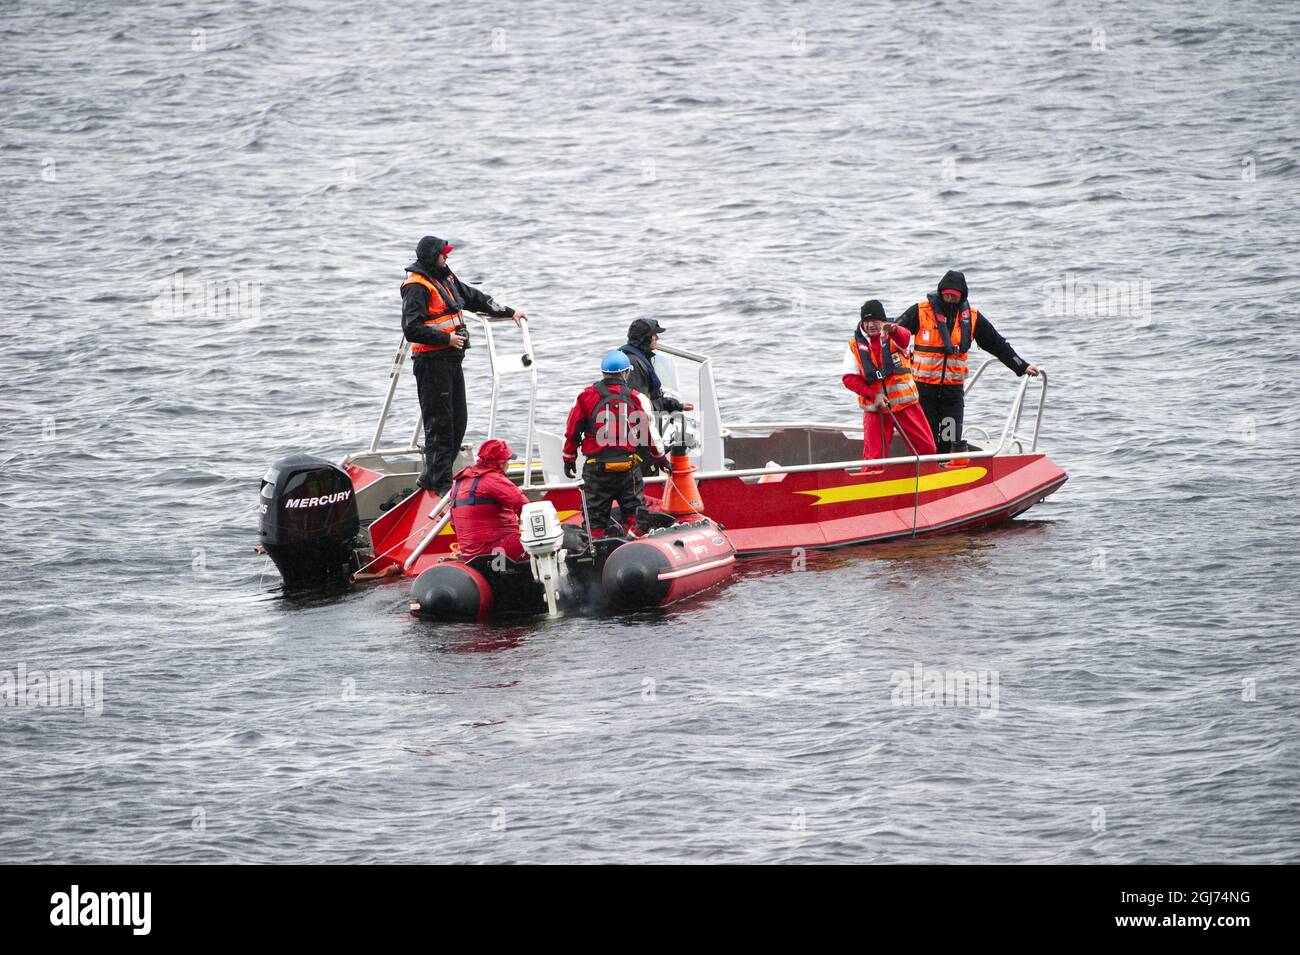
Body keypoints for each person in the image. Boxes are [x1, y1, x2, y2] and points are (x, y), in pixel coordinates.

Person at [401, 235, 527, 494]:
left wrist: (509, 311)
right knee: (440, 426)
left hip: (450, 360)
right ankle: (442, 485)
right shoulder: (417, 286)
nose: (447, 257)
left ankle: (432, 475)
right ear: (431, 256)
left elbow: (473, 297)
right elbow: (411, 328)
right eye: (442, 254)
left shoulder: (445, 276)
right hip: (431, 363)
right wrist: (446, 338)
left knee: (459, 422)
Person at [894, 270, 1040, 456]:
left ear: (962, 297)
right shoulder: (921, 311)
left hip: (952, 394)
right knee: (926, 440)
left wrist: (1022, 366)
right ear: (940, 292)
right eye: (946, 294)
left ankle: (947, 472)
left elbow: (997, 343)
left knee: (950, 440)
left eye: (954, 296)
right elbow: (894, 337)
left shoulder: (972, 317)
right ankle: (924, 475)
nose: (949, 299)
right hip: (924, 391)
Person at [562, 351, 667, 538]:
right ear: (626, 373)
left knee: (594, 520)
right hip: (628, 469)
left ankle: (596, 555)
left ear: (603, 373)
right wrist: (661, 459)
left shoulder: (585, 396)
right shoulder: (638, 398)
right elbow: (651, 433)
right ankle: (631, 546)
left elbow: (571, 431)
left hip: (596, 470)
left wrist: (569, 458)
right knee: (635, 516)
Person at [842, 300, 936, 469]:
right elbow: (849, 378)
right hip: (876, 410)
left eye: (875, 321)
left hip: (906, 405)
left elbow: (905, 338)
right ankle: (872, 490)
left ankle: (927, 485)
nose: (871, 325)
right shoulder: (854, 346)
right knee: (874, 461)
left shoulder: (895, 336)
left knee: (927, 449)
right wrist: (874, 395)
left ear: (883, 321)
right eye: (867, 321)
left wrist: (893, 329)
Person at [618, 319, 690, 474]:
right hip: (639, 438)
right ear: (645, 338)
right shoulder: (634, 363)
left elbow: (649, 398)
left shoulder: (638, 358)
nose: (657, 338)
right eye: (654, 335)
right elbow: (638, 405)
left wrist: (674, 405)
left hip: (644, 434)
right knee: (646, 477)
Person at [448, 439, 529, 561]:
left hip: (469, 554)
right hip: (494, 550)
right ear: (502, 463)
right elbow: (527, 508)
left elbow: (454, 524)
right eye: (508, 461)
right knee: (541, 543)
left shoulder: (458, 482)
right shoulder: (493, 479)